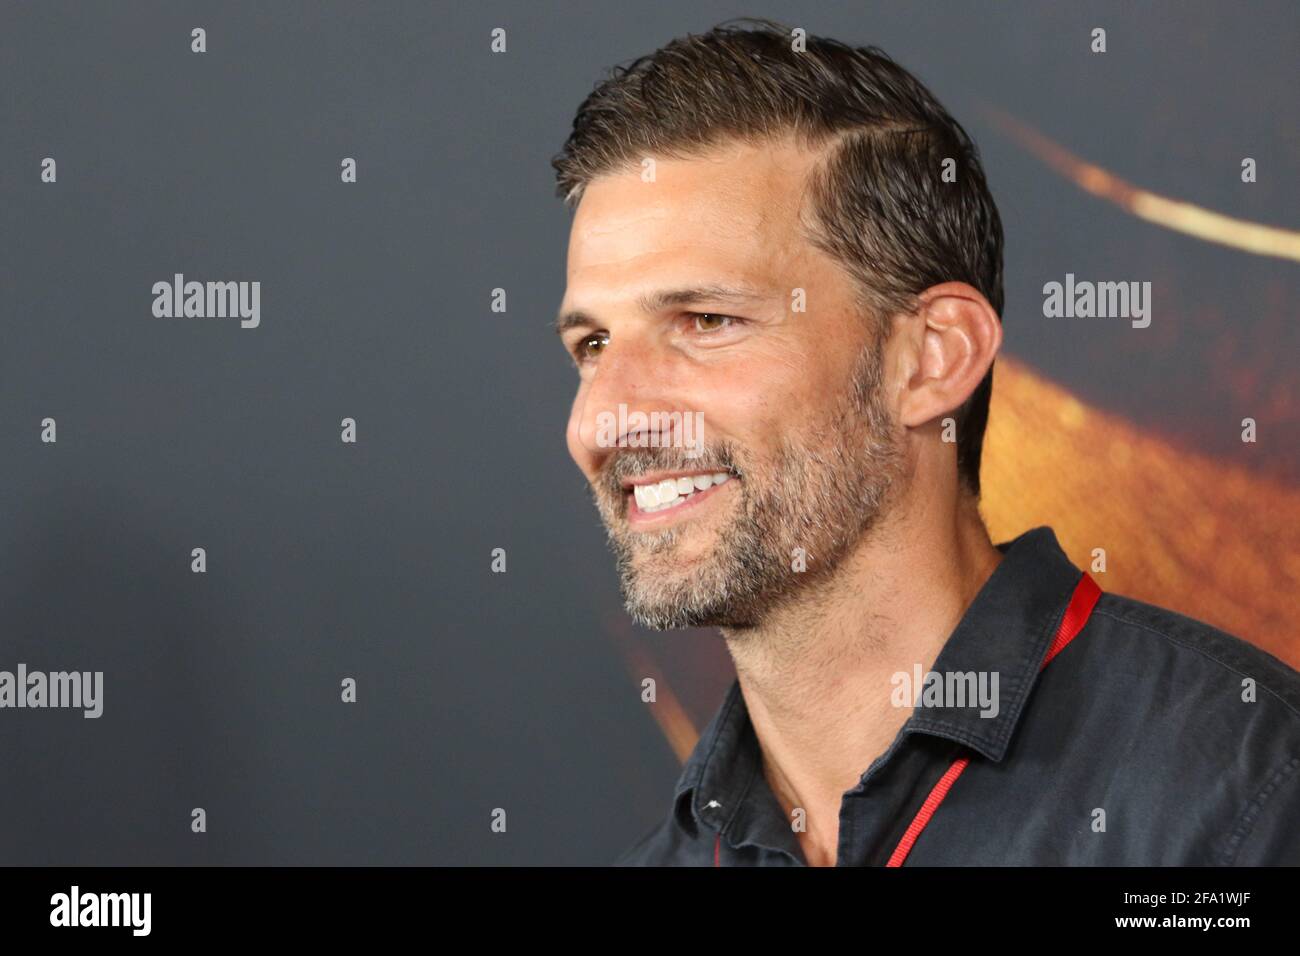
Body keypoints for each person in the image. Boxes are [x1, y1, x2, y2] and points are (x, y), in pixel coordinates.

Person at [549, 18, 1300, 866]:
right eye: (593, 345)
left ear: (933, 358)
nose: (604, 420)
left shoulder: (1241, 801)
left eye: (707, 320)